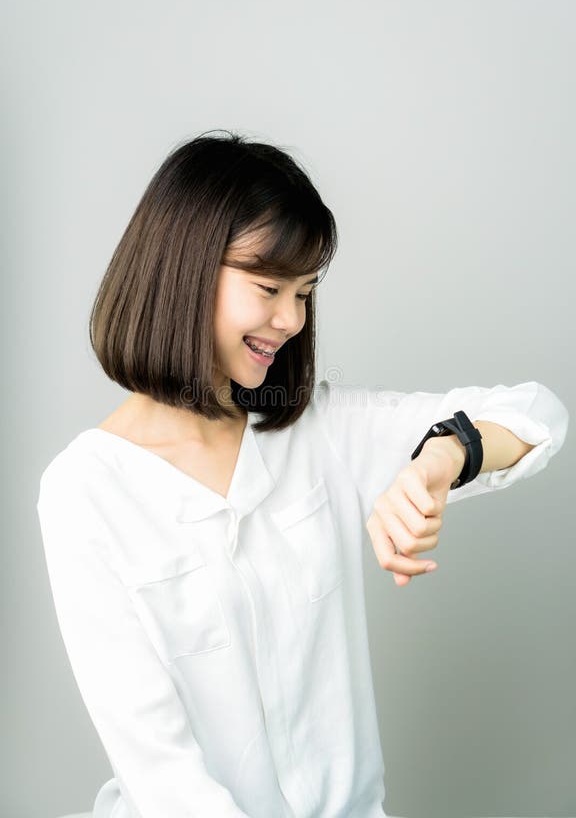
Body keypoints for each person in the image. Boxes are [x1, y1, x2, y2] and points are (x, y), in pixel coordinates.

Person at [36, 130, 569, 818]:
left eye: (306, 292)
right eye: (268, 288)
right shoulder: (85, 492)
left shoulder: (312, 429)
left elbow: (536, 416)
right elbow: (165, 779)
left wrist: (442, 456)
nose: (291, 319)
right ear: (184, 269)